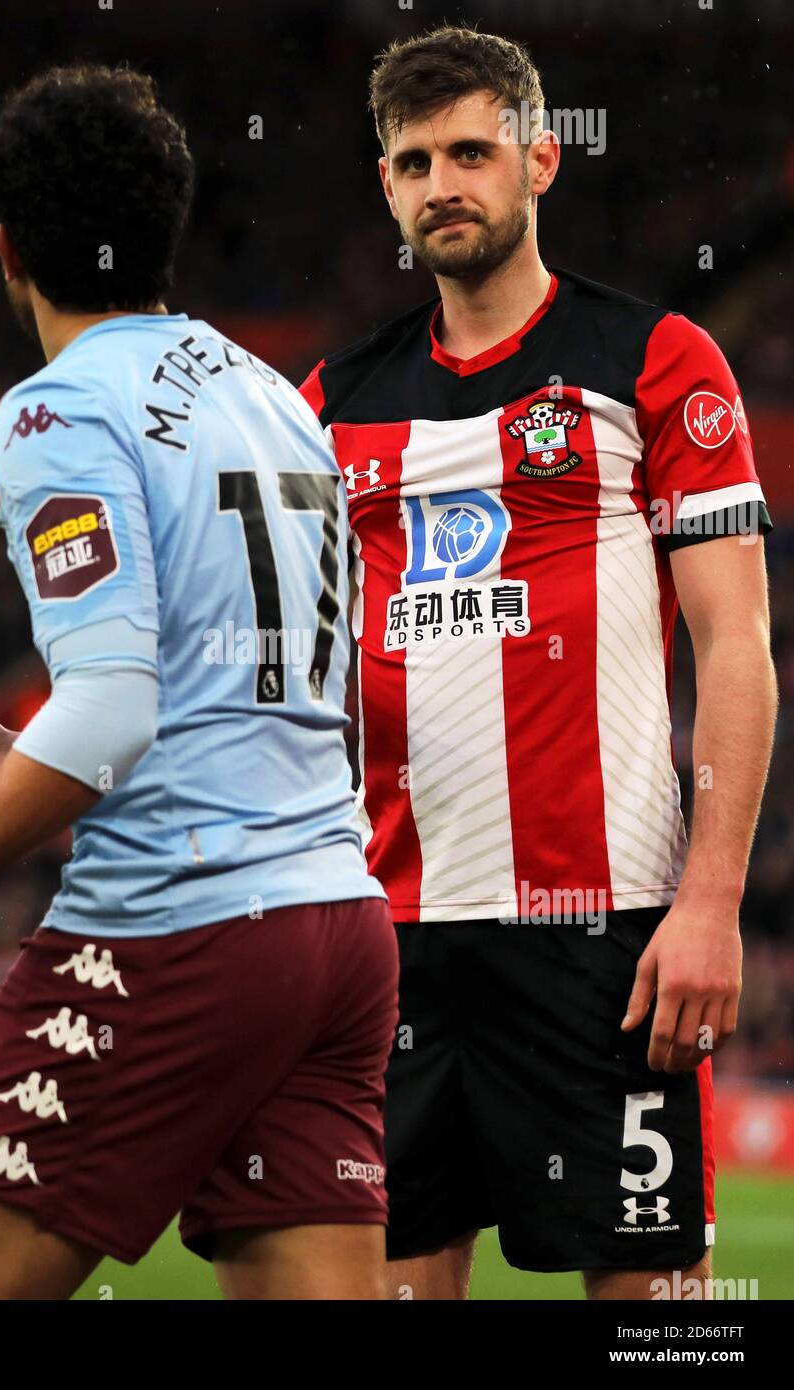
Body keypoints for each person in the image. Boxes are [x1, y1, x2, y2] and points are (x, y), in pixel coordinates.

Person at [0, 64, 396, 1301]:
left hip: (180, 923)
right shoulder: (274, 398)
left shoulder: (57, 413)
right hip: (336, 931)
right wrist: (16, 740)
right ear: (167, 230)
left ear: (6, 250)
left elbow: (111, 707)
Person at [299, 25, 776, 1300]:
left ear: (539, 161)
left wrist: (710, 901)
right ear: (386, 187)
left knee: (653, 1315)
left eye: (470, 150)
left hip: (601, 941)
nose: (441, 182)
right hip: (389, 940)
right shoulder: (331, 404)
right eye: (411, 161)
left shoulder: (655, 360)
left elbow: (735, 643)